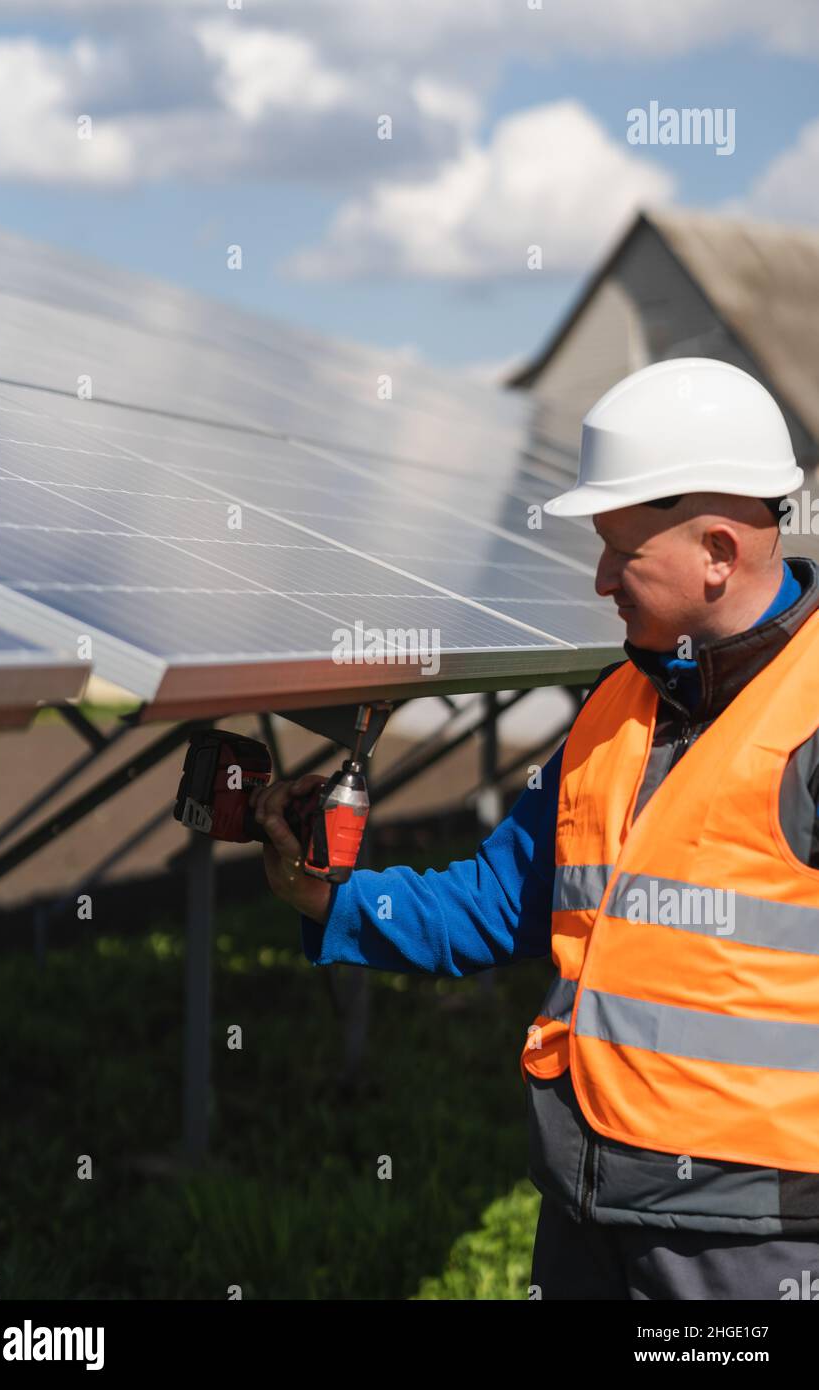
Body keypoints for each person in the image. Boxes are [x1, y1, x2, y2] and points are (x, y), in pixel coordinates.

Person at [250, 358, 819, 1300]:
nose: (598, 581)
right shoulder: (615, 705)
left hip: (752, 1249)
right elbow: (499, 900)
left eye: (619, 551)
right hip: (583, 1213)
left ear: (718, 550)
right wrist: (333, 897)